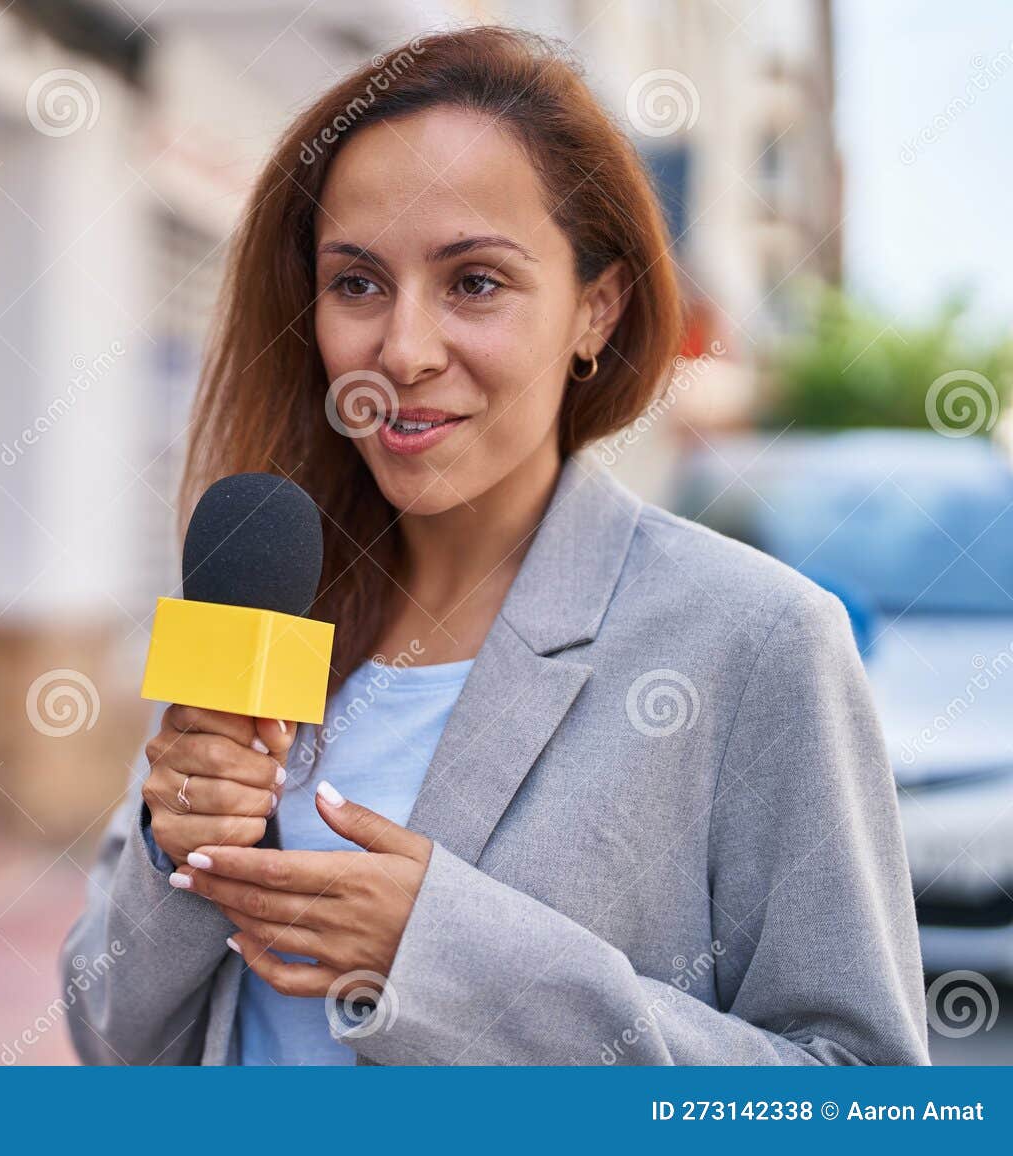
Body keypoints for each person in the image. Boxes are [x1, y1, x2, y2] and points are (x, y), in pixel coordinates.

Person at [62, 25, 928, 1066]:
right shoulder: (269, 601)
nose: (404, 349)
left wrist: (442, 959)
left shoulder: (756, 642)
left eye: (474, 282)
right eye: (357, 283)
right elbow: (108, 1037)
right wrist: (174, 847)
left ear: (594, 310)